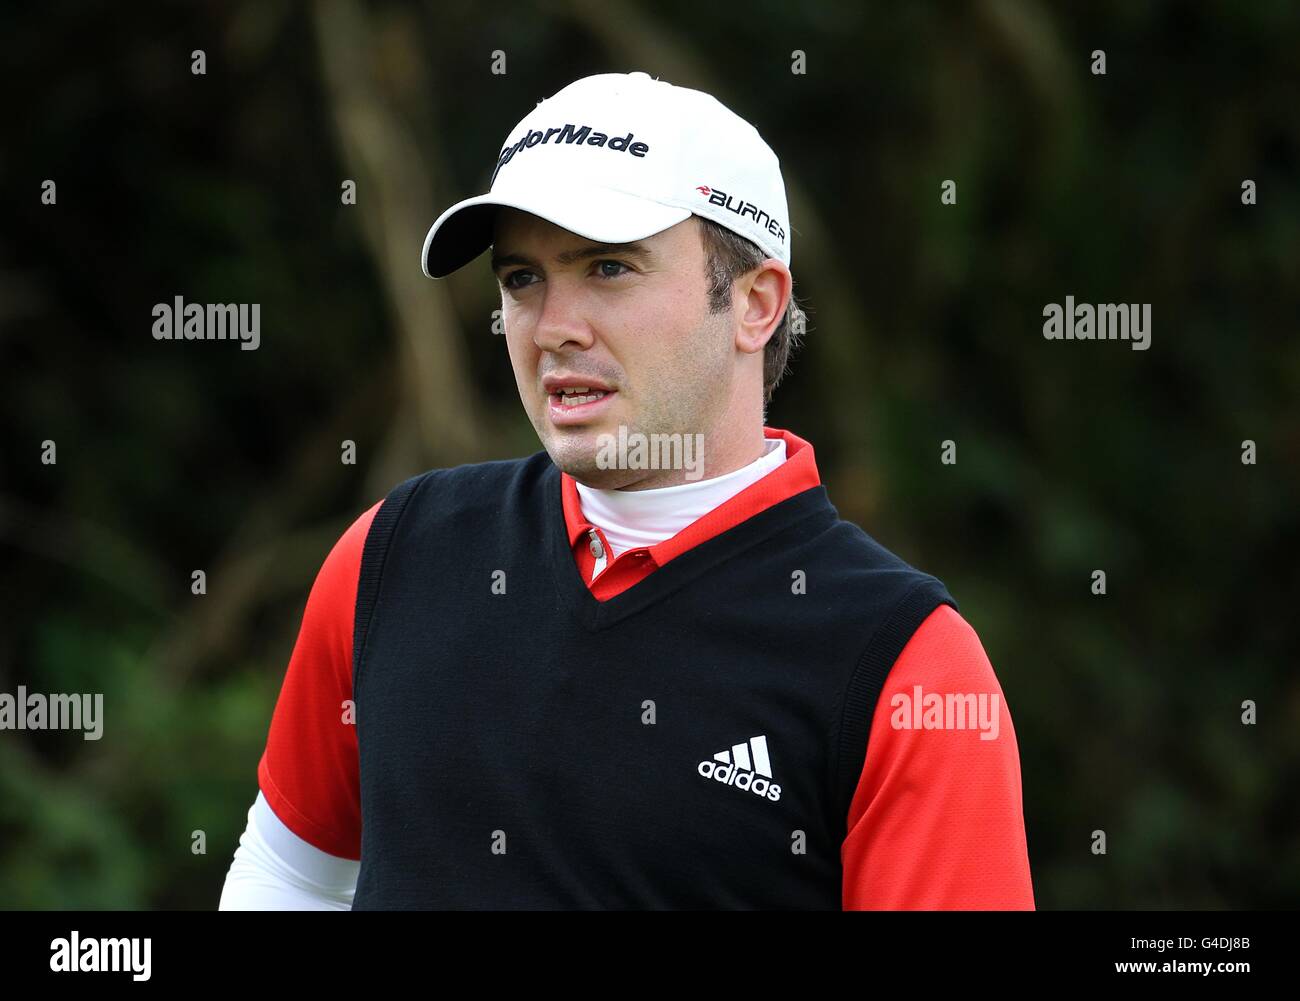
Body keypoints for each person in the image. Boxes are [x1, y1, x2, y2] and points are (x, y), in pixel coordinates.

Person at [219, 70, 1034, 910]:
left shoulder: (910, 664)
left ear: (756, 304)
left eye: (607, 268)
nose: (553, 327)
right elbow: (292, 874)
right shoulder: (395, 552)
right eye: (521, 278)